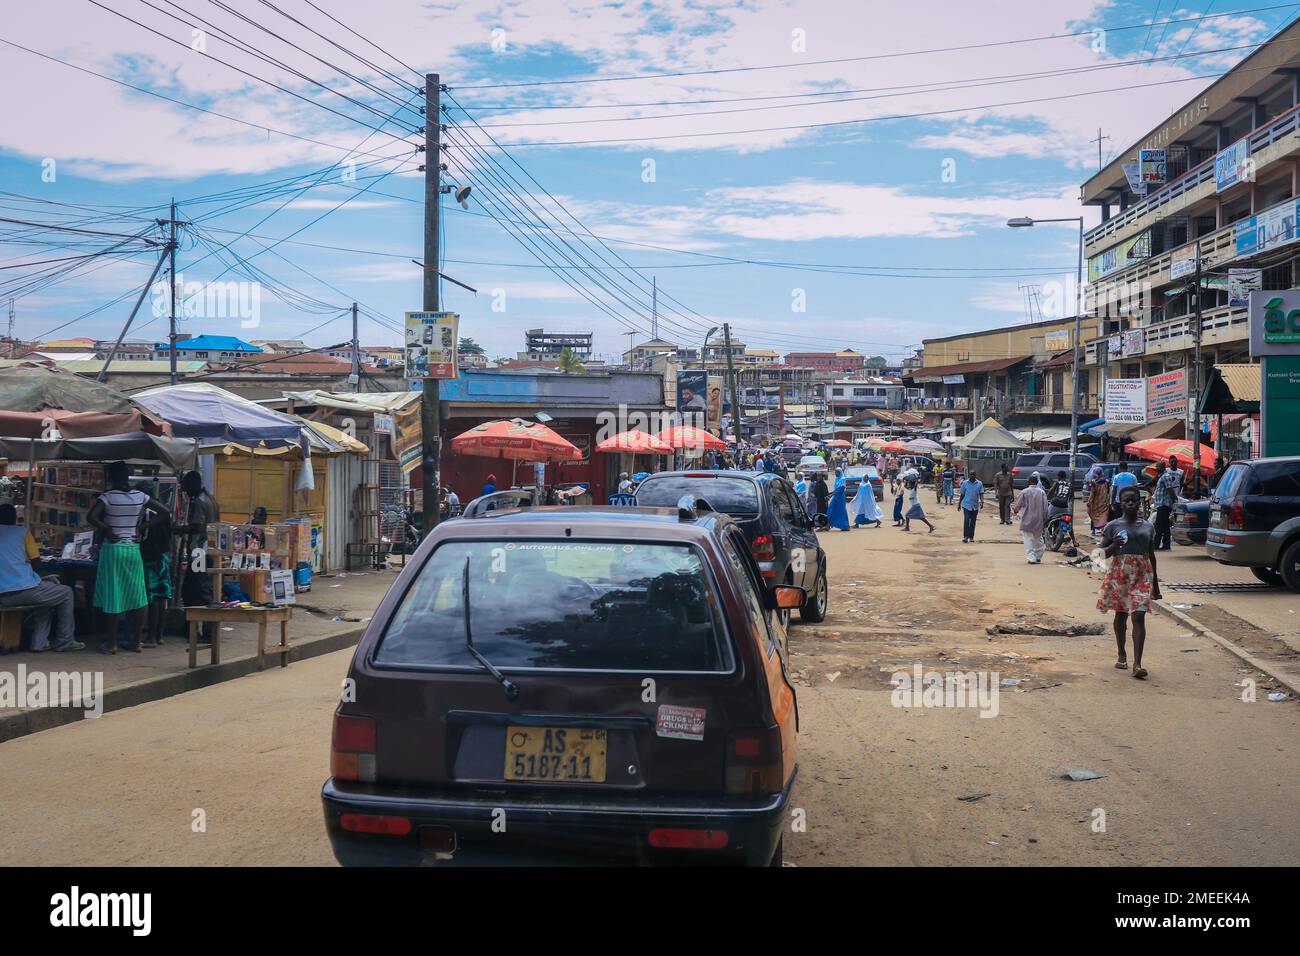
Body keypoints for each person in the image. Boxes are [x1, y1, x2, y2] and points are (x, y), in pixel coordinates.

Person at [87, 461, 167, 654]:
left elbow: (91, 517)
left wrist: (107, 529)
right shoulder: (140, 496)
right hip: (133, 549)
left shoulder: (107, 497)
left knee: (113, 594)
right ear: (128, 476)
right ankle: (135, 642)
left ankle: (112, 644)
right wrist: (141, 528)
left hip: (113, 550)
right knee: (139, 596)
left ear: (110, 477)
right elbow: (165, 512)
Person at [1097, 485, 1161, 680]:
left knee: (1139, 616)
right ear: (1120, 504)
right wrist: (1115, 545)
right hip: (1120, 575)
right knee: (1121, 615)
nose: (1131, 503)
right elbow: (1098, 555)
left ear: (1139, 501)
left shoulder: (1148, 527)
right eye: (1127, 500)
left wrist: (1156, 585)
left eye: (1134, 499)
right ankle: (1121, 653)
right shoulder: (1113, 527)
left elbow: (1151, 555)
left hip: (1142, 575)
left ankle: (1137, 663)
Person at [0, 503, 82, 652]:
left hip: (3, 594)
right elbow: (37, 564)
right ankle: (65, 640)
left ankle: (40, 642)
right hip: (23, 589)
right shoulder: (22, 533)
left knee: (46, 593)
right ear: (14, 518)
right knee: (66, 592)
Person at [175, 470, 221, 645]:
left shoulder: (200, 502)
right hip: (207, 549)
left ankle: (204, 631)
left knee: (197, 590)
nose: (184, 490)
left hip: (199, 552)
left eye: (186, 486)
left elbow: (197, 527)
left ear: (192, 485)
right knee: (197, 589)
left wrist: (179, 529)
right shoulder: (210, 499)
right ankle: (194, 630)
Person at [135, 479, 173, 648]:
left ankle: (150, 636)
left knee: (152, 597)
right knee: (162, 597)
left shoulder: (147, 512)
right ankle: (159, 635)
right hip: (163, 556)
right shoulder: (163, 509)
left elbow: (144, 536)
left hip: (150, 557)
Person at [1012, 473, 1050, 564]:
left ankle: (1031, 558)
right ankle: (1038, 556)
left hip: (1027, 519)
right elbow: (1045, 507)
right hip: (1038, 519)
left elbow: (1018, 505)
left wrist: (1015, 510)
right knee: (1038, 539)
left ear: (1028, 482)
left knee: (1028, 539)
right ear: (1037, 482)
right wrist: (1045, 518)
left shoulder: (1024, 492)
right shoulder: (1041, 492)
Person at [1151, 460, 1180, 551]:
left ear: (1164, 467)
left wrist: (1175, 499)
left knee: (1158, 525)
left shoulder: (1166, 477)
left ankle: (1155, 545)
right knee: (1165, 526)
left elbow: (1170, 490)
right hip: (1161, 504)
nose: (1157, 468)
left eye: (1159, 467)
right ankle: (1166, 546)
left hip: (1164, 504)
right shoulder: (1161, 476)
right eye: (1157, 466)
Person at [901, 468, 934, 533]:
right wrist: (904, 481)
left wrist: (915, 480)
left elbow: (915, 483)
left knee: (907, 515)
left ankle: (907, 528)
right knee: (921, 517)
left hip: (916, 505)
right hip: (916, 505)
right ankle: (931, 526)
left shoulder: (914, 488)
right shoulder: (911, 488)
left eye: (910, 483)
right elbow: (906, 486)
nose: (909, 484)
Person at [958, 471, 985, 543]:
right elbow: (962, 494)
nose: (972, 476)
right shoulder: (965, 483)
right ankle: (966, 536)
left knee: (973, 521)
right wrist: (959, 504)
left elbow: (981, 493)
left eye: (974, 474)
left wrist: (982, 502)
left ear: (975, 475)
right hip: (966, 505)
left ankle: (971, 537)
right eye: (971, 474)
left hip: (975, 506)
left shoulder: (979, 483)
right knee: (966, 520)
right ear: (969, 475)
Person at [1084, 463, 1110, 535]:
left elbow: (1092, 493)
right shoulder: (1106, 482)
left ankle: (1094, 531)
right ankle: (1102, 530)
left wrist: (1089, 502)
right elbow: (1108, 491)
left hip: (1095, 503)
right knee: (1103, 516)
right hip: (1104, 502)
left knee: (1093, 515)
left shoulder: (1093, 483)